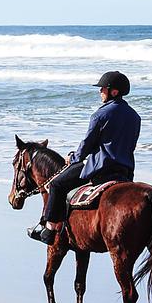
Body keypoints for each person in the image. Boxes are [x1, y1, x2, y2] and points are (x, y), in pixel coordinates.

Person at [27, 71, 140, 244]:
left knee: (56, 184)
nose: (100, 91)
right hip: (125, 171)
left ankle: (49, 230)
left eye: (103, 88)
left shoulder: (100, 115)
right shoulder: (135, 117)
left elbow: (87, 145)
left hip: (101, 169)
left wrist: (73, 158)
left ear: (114, 92)